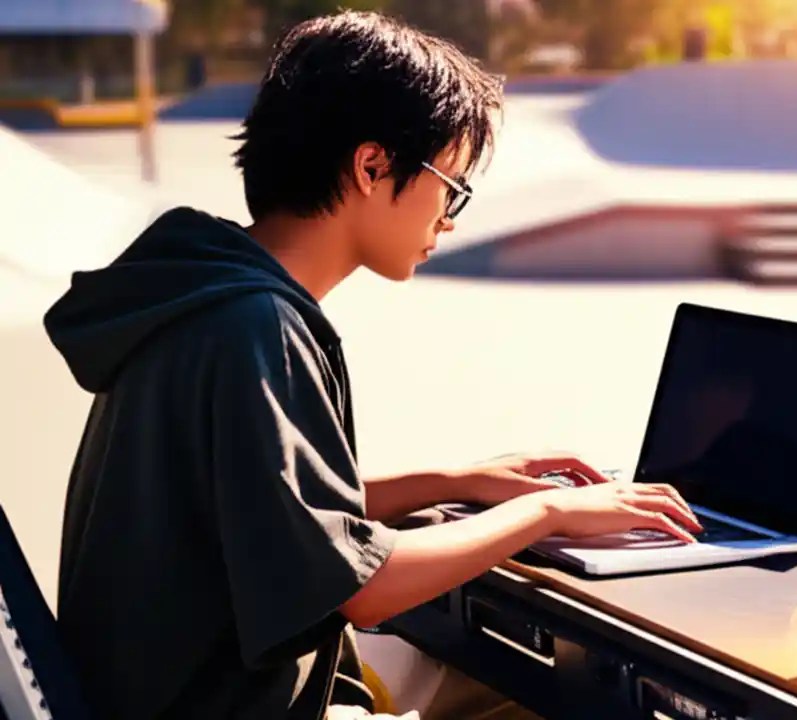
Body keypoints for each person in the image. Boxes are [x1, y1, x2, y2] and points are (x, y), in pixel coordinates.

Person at [42, 10, 701, 720]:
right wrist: (548, 510)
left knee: (493, 675)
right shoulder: (254, 329)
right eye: (452, 185)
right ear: (371, 165)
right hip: (229, 705)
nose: (450, 218)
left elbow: (267, 498)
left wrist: (460, 481)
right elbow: (362, 584)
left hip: (174, 691)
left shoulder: (199, 288)